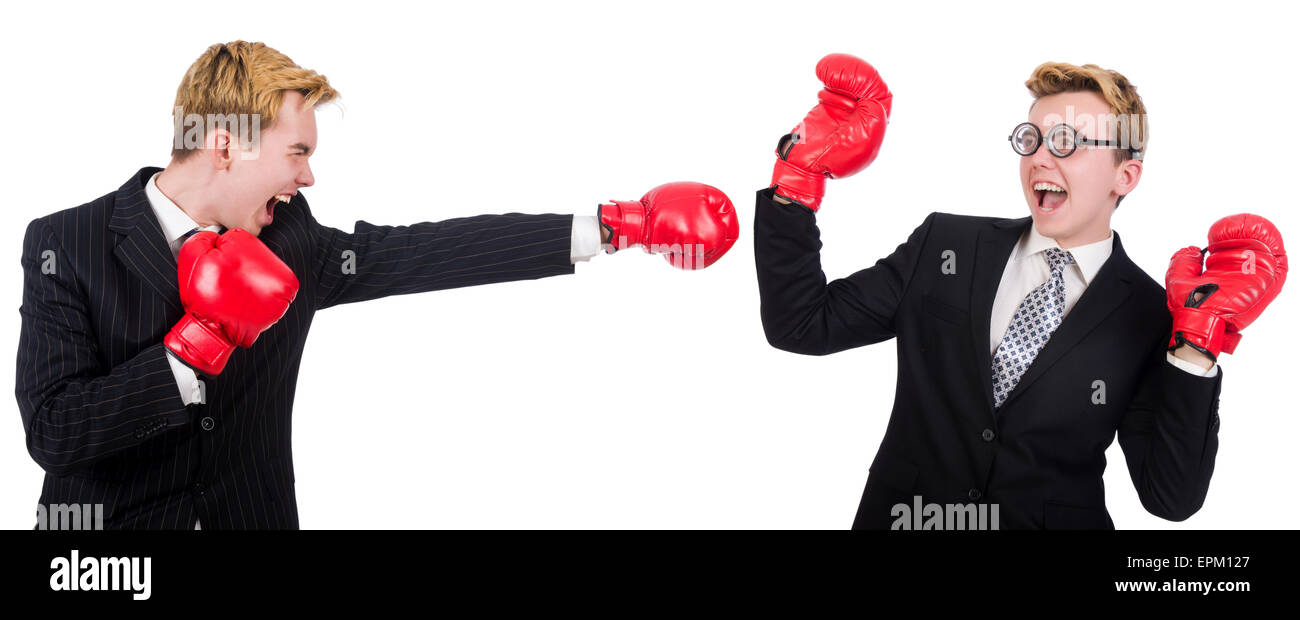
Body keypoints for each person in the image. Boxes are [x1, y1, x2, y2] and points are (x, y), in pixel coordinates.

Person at [16, 41, 738, 529]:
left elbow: (424, 253)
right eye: (297, 152)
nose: (307, 177)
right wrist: (194, 347)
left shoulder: (292, 240)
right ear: (226, 142)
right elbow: (54, 431)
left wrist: (616, 226)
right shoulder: (65, 244)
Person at [754, 54, 1287, 529]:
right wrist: (795, 183)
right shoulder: (947, 243)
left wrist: (1197, 344)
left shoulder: (1150, 315)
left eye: (1067, 143)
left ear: (1125, 176)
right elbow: (801, 324)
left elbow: (1170, 498)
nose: (1039, 159)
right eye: (1031, 140)